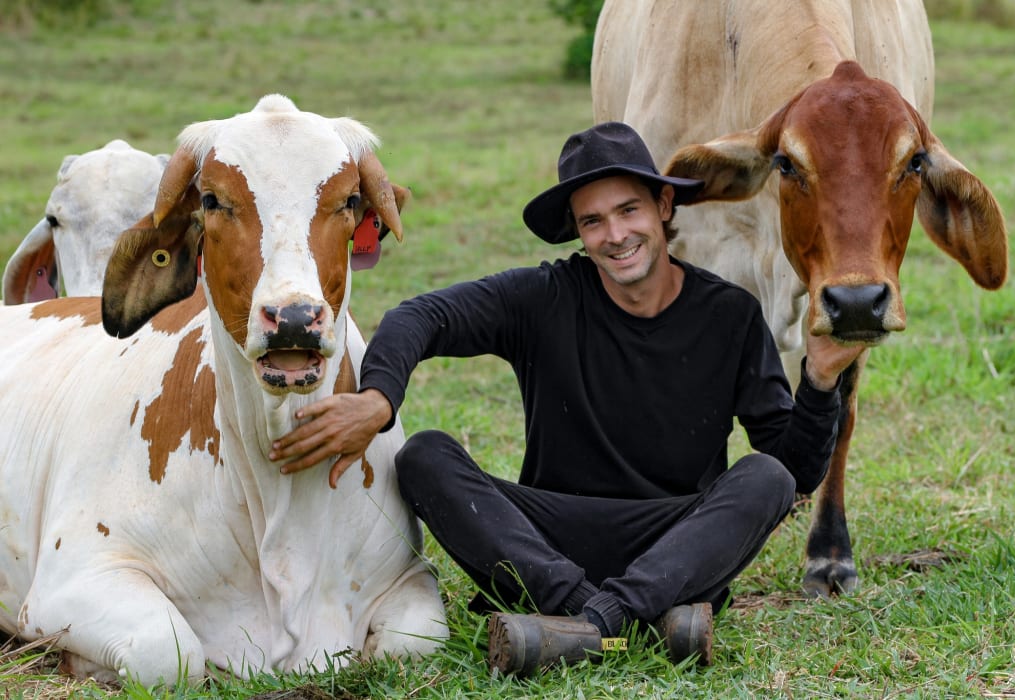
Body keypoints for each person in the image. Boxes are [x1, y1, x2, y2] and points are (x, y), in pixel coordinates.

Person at [269, 122, 863, 676]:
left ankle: (582, 627)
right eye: (593, 221)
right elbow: (422, 315)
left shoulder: (730, 315)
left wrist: (819, 380)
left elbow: (792, 471)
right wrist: (378, 399)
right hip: (547, 540)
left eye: (628, 210)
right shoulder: (546, 296)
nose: (615, 235)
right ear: (578, 232)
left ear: (663, 206)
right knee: (424, 455)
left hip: (676, 540)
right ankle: (633, 621)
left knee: (765, 478)